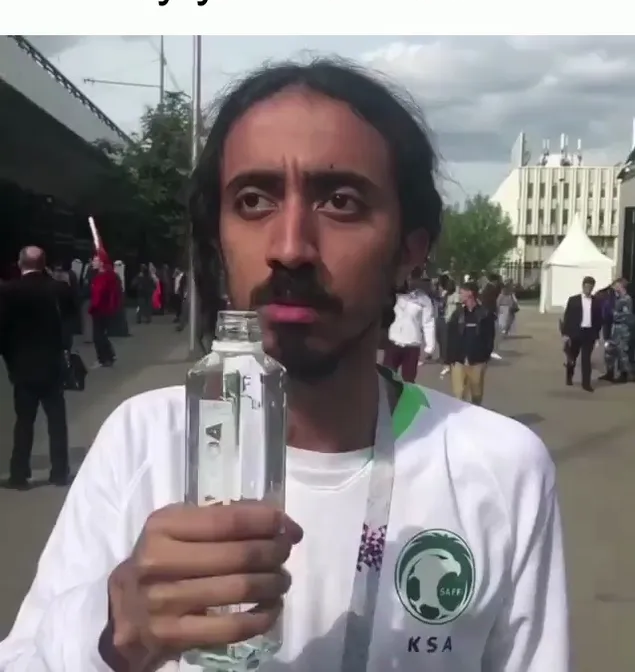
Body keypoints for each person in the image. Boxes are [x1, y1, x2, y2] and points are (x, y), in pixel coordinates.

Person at [0, 59, 568, 672]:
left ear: (411, 251)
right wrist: (114, 637)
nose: (290, 246)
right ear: (219, 242)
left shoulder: (501, 468)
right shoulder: (143, 439)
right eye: (253, 199)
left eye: (341, 202)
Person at [0, 246, 72, 488]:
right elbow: (71, 320)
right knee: (57, 421)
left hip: (22, 366)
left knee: (24, 422)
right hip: (53, 364)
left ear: (20, 263)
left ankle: (19, 474)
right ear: (44, 264)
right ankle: (60, 472)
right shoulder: (59, 289)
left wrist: (10, 359)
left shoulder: (8, 291)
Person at [445, 280, 496, 405]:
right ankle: (461, 421)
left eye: (462, 293)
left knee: (476, 395)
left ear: (470, 294)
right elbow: (450, 336)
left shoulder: (485, 314)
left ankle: (475, 420)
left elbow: (490, 336)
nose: (460, 296)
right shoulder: (457, 314)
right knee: (459, 394)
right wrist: (448, 359)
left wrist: (485, 355)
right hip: (459, 361)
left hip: (477, 361)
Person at [383, 267, 436, 382]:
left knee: (408, 381)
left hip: (412, 345)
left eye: (413, 278)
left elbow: (428, 323)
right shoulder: (393, 295)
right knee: (386, 378)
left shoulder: (424, 300)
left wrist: (429, 347)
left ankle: (406, 399)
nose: (410, 281)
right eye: (408, 277)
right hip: (393, 342)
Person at [561, 275, 603, 392]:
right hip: (575, 332)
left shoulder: (596, 302)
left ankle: (586, 383)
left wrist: (596, 334)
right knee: (572, 357)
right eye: (586, 286)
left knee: (586, 359)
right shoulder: (573, 300)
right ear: (583, 286)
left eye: (590, 287)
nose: (588, 289)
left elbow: (599, 319)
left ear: (593, 287)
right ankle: (569, 376)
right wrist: (565, 334)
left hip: (589, 334)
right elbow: (567, 317)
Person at [88, 250, 120, 368]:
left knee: (98, 335)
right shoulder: (108, 275)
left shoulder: (102, 277)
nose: (93, 262)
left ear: (101, 262)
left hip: (101, 310)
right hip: (106, 309)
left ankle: (103, 359)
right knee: (101, 334)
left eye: (95, 260)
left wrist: (93, 307)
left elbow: (98, 295)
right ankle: (109, 356)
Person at [603, 278, 633, 383]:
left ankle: (624, 374)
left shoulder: (626, 299)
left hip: (622, 329)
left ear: (621, 286)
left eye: (616, 285)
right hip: (614, 329)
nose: (614, 287)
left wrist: (613, 314)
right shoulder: (617, 298)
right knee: (609, 350)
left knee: (621, 352)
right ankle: (609, 372)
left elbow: (626, 315)